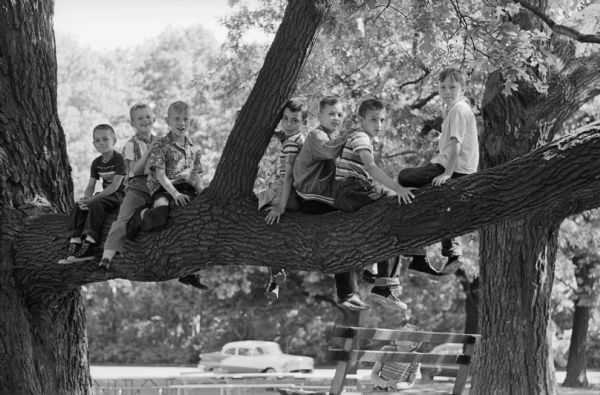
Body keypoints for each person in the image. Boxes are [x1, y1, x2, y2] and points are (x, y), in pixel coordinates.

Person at [397, 67, 478, 280]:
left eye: (453, 86)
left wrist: (448, 174)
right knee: (438, 204)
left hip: (453, 168)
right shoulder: (454, 109)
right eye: (443, 87)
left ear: (463, 88)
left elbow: (456, 145)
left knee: (404, 177)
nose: (447, 91)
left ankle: (417, 252)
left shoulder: (459, 110)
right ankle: (450, 254)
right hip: (456, 168)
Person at [335, 98, 414, 310]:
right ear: (361, 120)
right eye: (373, 120)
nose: (378, 125)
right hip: (354, 189)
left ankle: (373, 270)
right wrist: (398, 189)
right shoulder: (361, 137)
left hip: (347, 193)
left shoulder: (356, 136)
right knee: (397, 208)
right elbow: (370, 167)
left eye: (381, 120)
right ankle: (383, 286)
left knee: (379, 225)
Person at [292, 96, 367, 311]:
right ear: (320, 116)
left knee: (350, 229)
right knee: (342, 229)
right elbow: (330, 150)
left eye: (340, 114)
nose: (336, 117)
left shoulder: (332, 137)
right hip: (311, 197)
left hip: (325, 197)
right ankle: (348, 291)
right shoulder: (317, 136)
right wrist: (354, 135)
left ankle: (351, 290)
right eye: (331, 113)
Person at [127, 100, 203, 238]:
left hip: (187, 189)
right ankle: (142, 215)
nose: (182, 123)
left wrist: (203, 193)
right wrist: (175, 195)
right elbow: (161, 176)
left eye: (186, 119)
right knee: (160, 217)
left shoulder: (194, 149)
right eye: (177, 119)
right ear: (168, 121)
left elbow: (196, 177)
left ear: (191, 122)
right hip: (164, 190)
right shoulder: (161, 145)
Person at [258, 99, 308, 299]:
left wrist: (279, 206)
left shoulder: (292, 145)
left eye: (294, 120)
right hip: (285, 188)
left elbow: (287, 176)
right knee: (269, 221)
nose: (288, 124)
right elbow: (280, 134)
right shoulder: (295, 138)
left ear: (303, 122)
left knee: (262, 217)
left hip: (288, 191)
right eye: (285, 119)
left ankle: (276, 274)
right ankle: (274, 280)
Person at [59, 124, 126, 263]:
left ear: (114, 140)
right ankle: (75, 242)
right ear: (93, 144)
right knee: (79, 205)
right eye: (97, 140)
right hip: (105, 194)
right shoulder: (96, 163)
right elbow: (91, 185)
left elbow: (115, 186)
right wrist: (86, 198)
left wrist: (94, 199)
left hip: (119, 194)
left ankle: (89, 246)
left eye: (105, 139)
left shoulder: (119, 159)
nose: (101, 143)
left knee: (96, 203)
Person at [99, 104, 155, 269]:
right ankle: (106, 259)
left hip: (159, 186)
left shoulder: (161, 142)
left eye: (147, 116)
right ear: (133, 123)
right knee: (123, 218)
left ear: (154, 119)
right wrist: (149, 154)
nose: (145, 120)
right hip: (138, 188)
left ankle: (189, 271)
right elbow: (132, 171)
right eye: (140, 118)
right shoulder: (131, 145)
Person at [370, 323, 421, 391]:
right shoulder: (386, 350)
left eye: (404, 334)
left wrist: (397, 386)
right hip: (380, 388)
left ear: (414, 344)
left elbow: (410, 383)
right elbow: (374, 374)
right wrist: (384, 384)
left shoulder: (415, 359)